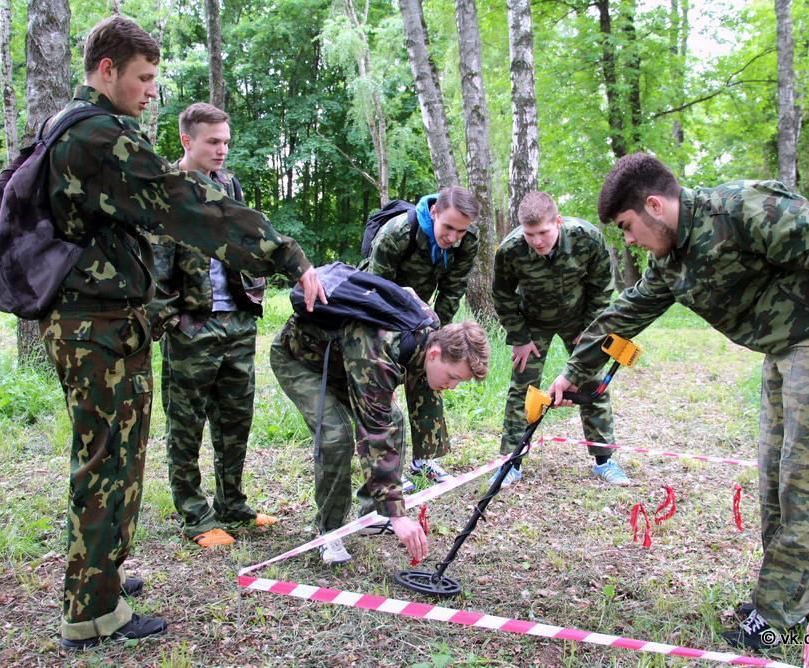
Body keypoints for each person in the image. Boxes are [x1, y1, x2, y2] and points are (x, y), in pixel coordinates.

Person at [38, 16, 324, 650]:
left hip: (97, 321)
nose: (149, 91)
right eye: (142, 78)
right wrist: (289, 256)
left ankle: (98, 579)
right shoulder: (98, 135)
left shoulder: (67, 127)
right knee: (110, 463)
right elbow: (186, 205)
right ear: (106, 70)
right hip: (100, 327)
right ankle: (91, 614)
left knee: (103, 457)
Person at [548, 153, 809, 650]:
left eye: (627, 227)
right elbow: (624, 313)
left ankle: (777, 616)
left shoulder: (742, 208)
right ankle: (787, 597)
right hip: (782, 351)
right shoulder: (671, 259)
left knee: (804, 480)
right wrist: (571, 372)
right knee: (774, 477)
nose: (628, 239)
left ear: (654, 206)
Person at [270, 308, 489, 565]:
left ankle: (372, 515)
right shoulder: (377, 356)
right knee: (335, 435)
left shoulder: (427, 329)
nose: (451, 386)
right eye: (452, 377)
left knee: (393, 418)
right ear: (434, 353)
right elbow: (374, 433)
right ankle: (330, 531)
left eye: (459, 382)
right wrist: (398, 515)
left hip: (346, 362)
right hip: (301, 360)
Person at [150, 103, 275, 549]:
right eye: (213, 142)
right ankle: (194, 515)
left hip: (237, 319)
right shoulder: (167, 188)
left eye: (225, 141)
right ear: (187, 140)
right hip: (193, 324)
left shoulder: (228, 183)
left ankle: (232, 504)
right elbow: (155, 260)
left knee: (235, 418)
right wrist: (171, 318)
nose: (222, 150)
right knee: (186, 424)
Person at [492, 191, 629, 487]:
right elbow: (502, 295)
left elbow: (602, 286)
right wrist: (519, 335)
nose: (537, 241)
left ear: (558, 221)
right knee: (522, 388)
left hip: (580, 320)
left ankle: (605, 461)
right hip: (532, 323)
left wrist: (592, 330)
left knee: (592, 381)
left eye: (543, 232)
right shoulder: (510, 250)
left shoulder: (587, 238)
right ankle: (511, 462)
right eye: (530, 234)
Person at [364, 186, 480, 489]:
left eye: (461, 231)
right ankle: (390, 466)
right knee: (385, 380)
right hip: (382, 308)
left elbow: (454, 288)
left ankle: (425, 457)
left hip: (423, 312)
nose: (453, 237)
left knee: (433, 367)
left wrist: (439, 334)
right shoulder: (397, 233)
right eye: (449, 228)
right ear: (434, 212)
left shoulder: (468, 242)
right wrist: (388, 344)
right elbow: (374, 290)